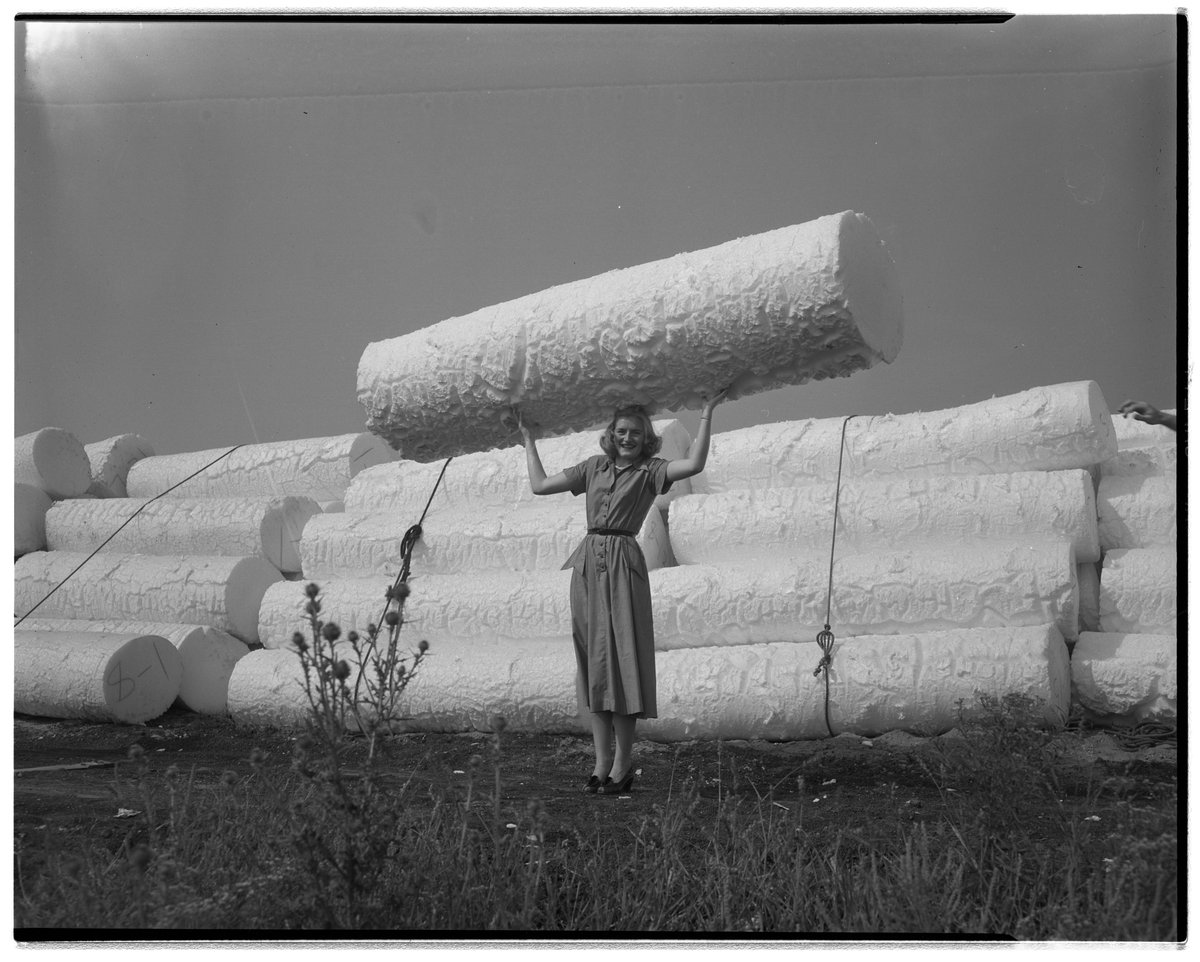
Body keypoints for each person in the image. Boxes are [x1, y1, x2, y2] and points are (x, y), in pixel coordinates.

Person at [516, 392, 727, 796]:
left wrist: (705, 413)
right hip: (588, 564)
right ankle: (600, 763)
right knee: (594, 664)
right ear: (610, 435)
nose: (627, 437)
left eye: (635, 432)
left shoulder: (651, 470)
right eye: (621, 431)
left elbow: (695, 463)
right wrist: (529, 439)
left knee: (623, 660)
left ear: (646, 437)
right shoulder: (593, 467)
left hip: (624, 564)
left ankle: (623, 763)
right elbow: (541, 486)